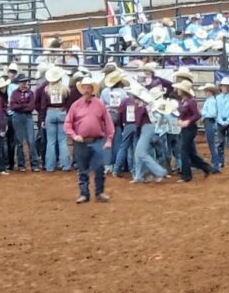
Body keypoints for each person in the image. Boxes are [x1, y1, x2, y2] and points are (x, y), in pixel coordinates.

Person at [64, 74, 115, 204]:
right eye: (84, 88)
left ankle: (99, 192)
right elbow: (68, 123)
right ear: (82, 89)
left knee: (99, 167)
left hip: (97, 140)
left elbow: (108, 123)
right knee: (82, 169)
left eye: (89, 88)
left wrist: (109, 139)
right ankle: (84, 194)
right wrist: (74, 135)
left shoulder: (100, 104)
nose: (87, 90)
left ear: (92, 89)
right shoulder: (75, 105)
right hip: (81, 141)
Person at [174, 79, 215, 182]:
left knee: (184, 151)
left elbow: (197, 115)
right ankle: (206, 167)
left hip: (189, 128)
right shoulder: (184, 101)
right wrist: (180, 120)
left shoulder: (190, 101)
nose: (178, 90)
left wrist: (187, 121)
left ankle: (186, 175)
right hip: (186, 128)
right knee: (190, 152)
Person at [127, 88, 168, 184]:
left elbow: (138, 121)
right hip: (150, 129)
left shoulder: (141, 107)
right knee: (139, 153)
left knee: (140, 153)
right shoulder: (145, 106)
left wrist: (135, 129)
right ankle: (139, 176)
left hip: (147, 129)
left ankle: (159, 171)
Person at [8, 73, 40, 172]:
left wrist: (20, 105)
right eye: (22, 82)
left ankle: (34, 164)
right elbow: (13, 106)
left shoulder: (30, 93)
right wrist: (24, 105)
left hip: (25, 116)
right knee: (20, 141)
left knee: (31, 141)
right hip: (19, 117)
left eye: (25, 82)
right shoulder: (15, 93)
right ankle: (22, 164)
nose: (24, 83)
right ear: (19, 82)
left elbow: (31, 107)